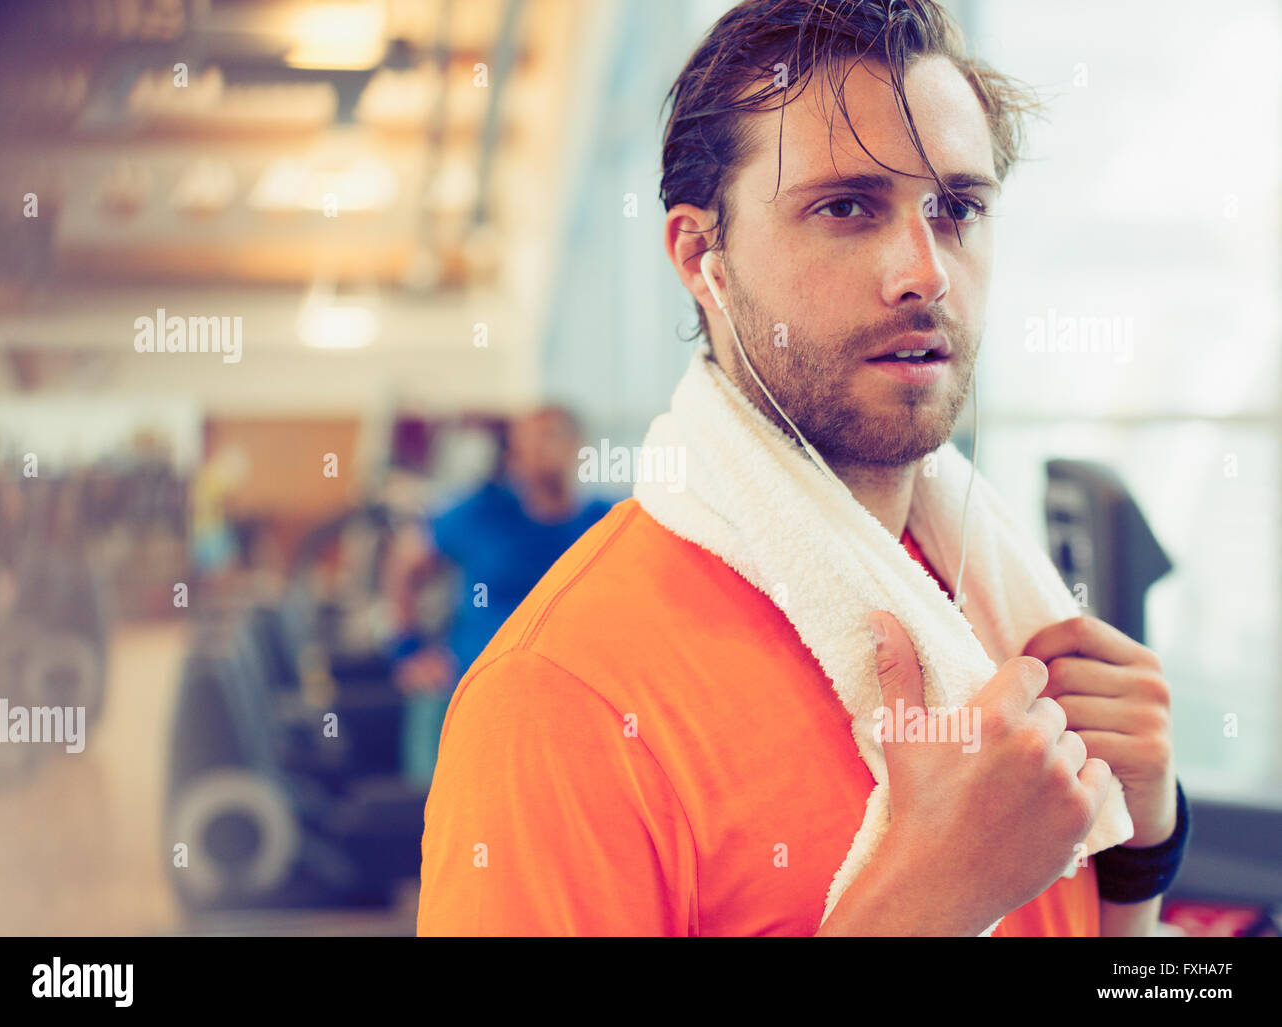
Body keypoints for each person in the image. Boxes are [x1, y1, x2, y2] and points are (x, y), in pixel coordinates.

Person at [417, 0, 1181, 936]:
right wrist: (912, 912)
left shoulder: (999, 611)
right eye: (847, 206)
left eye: (958, 208)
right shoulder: (561, 701)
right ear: (703, 257)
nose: (925, 271)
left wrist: (1142, 857)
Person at [386, 406, 613, 790]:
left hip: (574, 707)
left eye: (548, 437)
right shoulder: (482, 513)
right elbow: (405, 564)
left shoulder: (607, 521)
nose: (533, 451)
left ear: (577, 446)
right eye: (523, 443)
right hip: (476, 697)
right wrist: (407, 648)